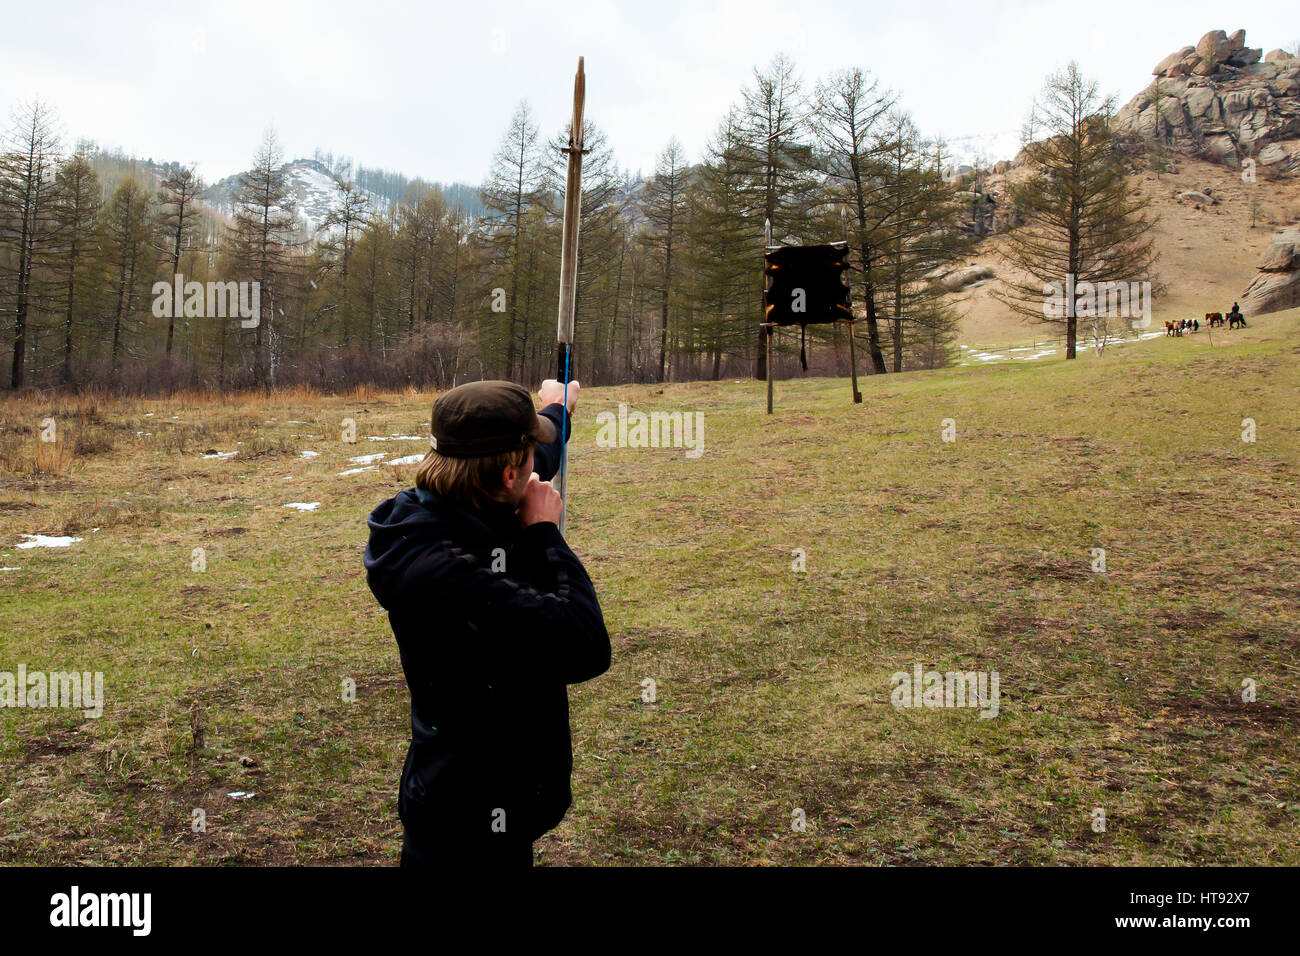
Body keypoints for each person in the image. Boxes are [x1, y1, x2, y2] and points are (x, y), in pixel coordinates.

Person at [364, 378, 610, 868]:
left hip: (481, 794)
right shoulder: (447, 571)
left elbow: (538, 458)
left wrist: (557, 409)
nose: (533, 466)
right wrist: (545, 534)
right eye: (525, 459)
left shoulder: (455, 499)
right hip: (466, 819)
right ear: (506, 477)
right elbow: (584, 646)